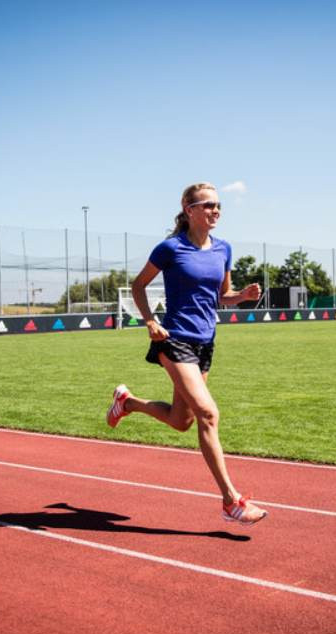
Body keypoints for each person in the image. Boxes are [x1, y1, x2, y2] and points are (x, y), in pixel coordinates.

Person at [105, 182, 268, 526]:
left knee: (183, 421)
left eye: (218, 205)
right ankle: (231, 502)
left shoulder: (224, 249)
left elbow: (222, 295)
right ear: (189, 209)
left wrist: (243, 296)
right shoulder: (170, 249)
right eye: (208, 205)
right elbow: (138, 286)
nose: (216, 211)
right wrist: (149, 321)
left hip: (205, 343)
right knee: (209, 414)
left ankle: (127, 402)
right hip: (174, 338)